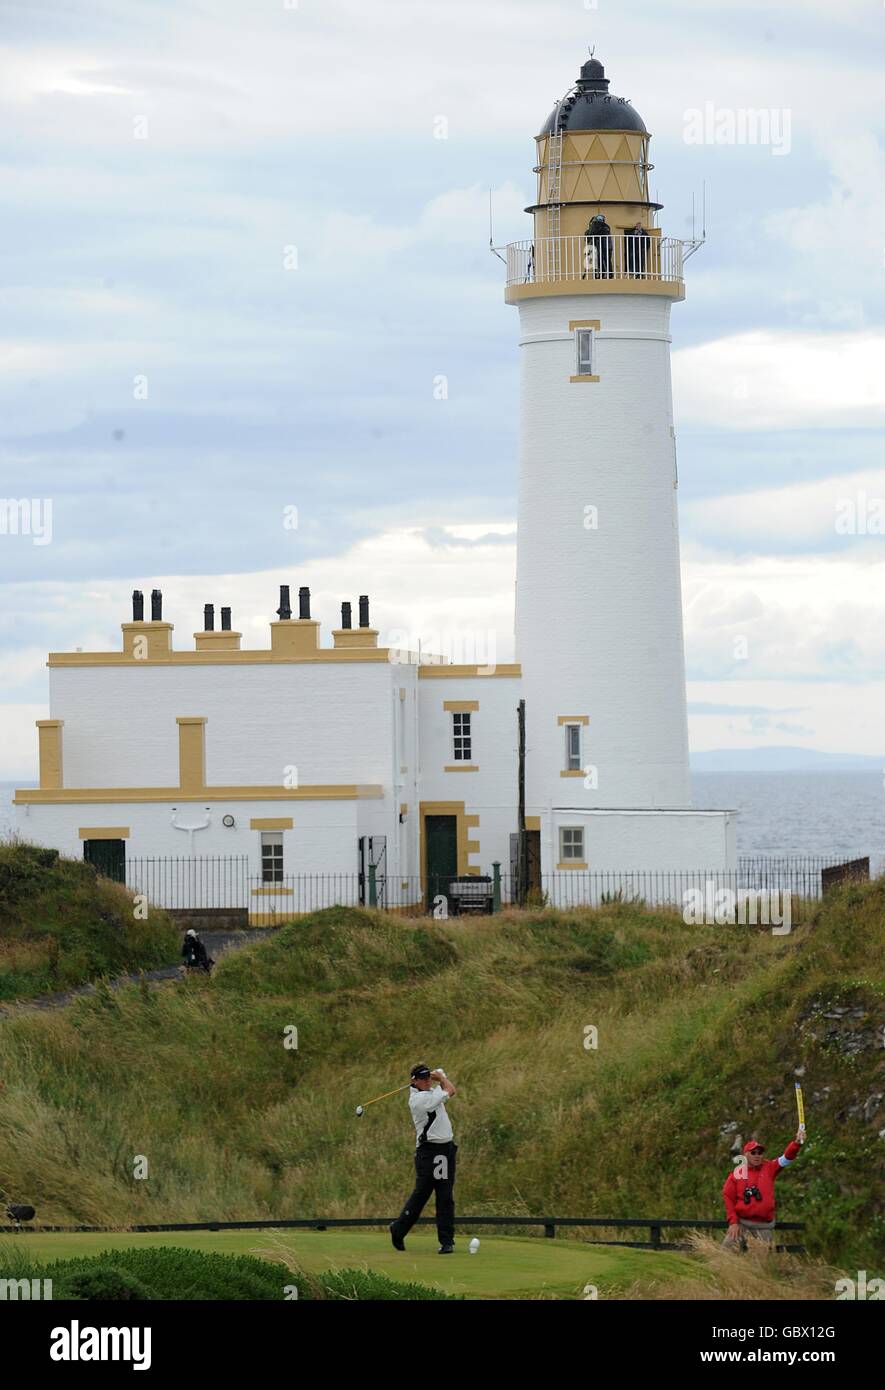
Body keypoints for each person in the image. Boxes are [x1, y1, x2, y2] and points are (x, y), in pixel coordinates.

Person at [389, 1064, 458, 1254]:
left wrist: (439, 1079)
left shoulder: (430, 1093)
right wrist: (442, 1078)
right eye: (423, 1078)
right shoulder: (419, 1100)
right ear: (414, 1081)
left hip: (445, 1150)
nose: (427, 1081)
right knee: (421, 1195)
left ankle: (447, 1241)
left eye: (428, 1077)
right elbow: (451, 1089)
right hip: (430, 1153)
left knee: (445, 1196)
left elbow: (445, 1090)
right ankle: (398, 1229)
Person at [722, 1132, 804, 1250]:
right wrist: (733, 1222)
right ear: (745, 1155)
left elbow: (787, 1158)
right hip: (741, 1224)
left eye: (760, 1153)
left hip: (764, 1226)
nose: (757, 1155)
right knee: (725, 1253)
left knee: (761, 1263)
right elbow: (728, 1197)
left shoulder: (770, 1167)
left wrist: (797, 1143)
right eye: (753, 1152)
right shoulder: (737, 1173)